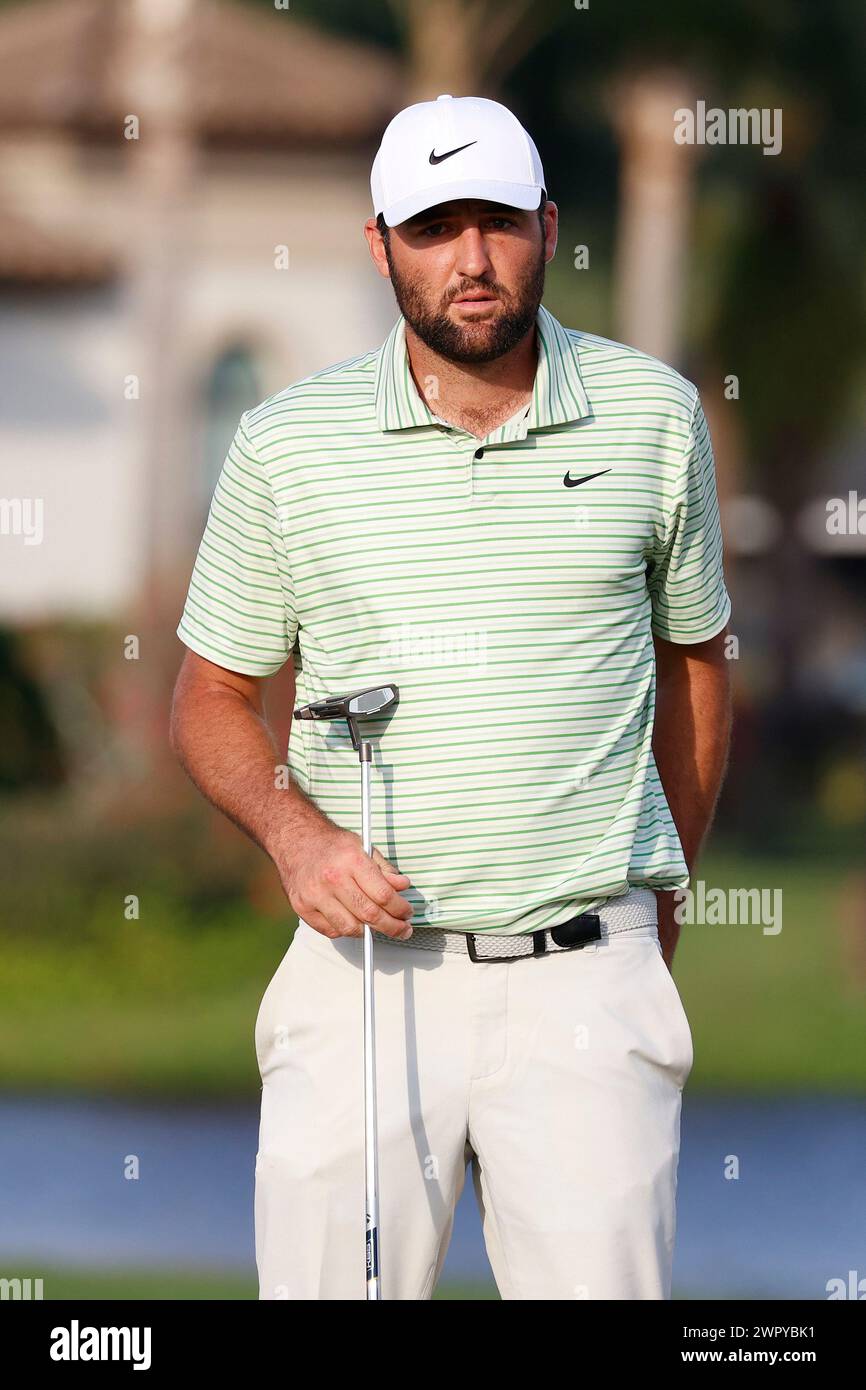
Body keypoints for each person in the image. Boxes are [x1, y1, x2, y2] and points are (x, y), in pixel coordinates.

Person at [170, 95, 732, 1300]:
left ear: (548, 227)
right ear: (380, 246)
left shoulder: (653, 415)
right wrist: (294, 833)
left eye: (497, 222)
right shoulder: (283, 443)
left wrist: (650, 914)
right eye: (433, 228)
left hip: (587, 976)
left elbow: (696, 661)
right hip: (359, 982)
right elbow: (211, 694)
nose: (469, 261)